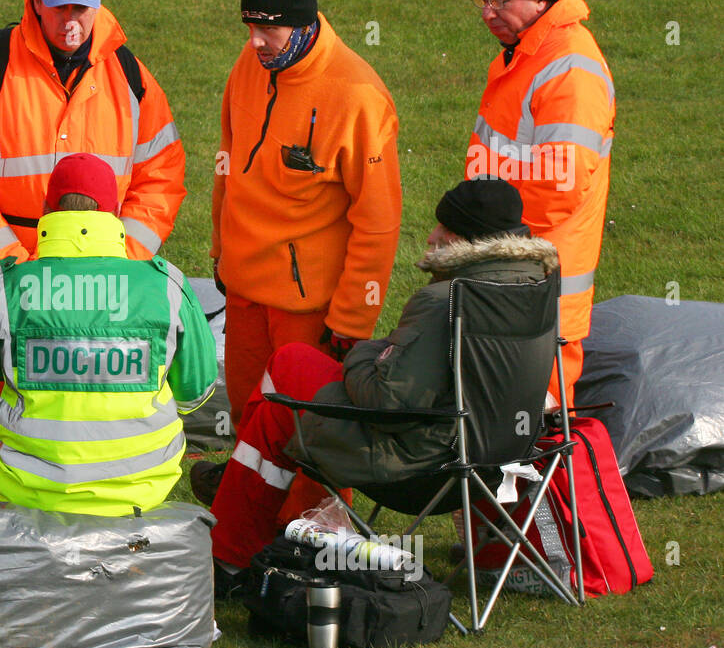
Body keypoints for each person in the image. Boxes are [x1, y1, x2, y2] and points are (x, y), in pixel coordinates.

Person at [199, 178, 559, 585]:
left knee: (287, 371)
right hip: (502, 457)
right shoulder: (536, 288)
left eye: (444, 229)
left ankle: (230, 552)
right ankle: (237, 535)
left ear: (465, 238)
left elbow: (386, 398)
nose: (432, 236)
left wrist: (365, 351)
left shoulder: (446, 300)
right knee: (277, 403)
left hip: (419, 466)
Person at [0, 154, 217, 516]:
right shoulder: (168, 286)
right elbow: (195, 395)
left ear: (45, 209)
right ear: (115, 213)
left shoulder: (3, 287)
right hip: (144, 488)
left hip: (25, 488)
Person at [0, 0, 186, 324]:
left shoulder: (133, 79)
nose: (70, 21)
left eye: (79, 9)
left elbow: (160, 180)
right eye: (59, 7)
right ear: (36, 0)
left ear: (97, 2)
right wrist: (11, 266)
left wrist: (119, 262)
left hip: (98, 294)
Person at [213, 0, 402, 430]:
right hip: (242, 292)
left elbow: (377, 220)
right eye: (249, 26)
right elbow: (227, 164)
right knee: (247, 418)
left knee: (308, 432)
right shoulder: (250, 63)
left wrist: (354, 318)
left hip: (308, 312)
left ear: (303, 26)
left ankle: (317, 510)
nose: (255, 41)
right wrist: (221, 253)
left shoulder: (359, 96)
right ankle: (244, 505)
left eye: (266, 30)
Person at [465, 0, 615, 406]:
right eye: (482, 1)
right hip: (514, 270)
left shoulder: (569, 70)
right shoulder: (524, 55)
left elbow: (560, 187)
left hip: (540, 280)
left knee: (539, 418)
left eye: (499, 1)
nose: (488, 14)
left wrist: (489, 231)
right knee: (505, 416)